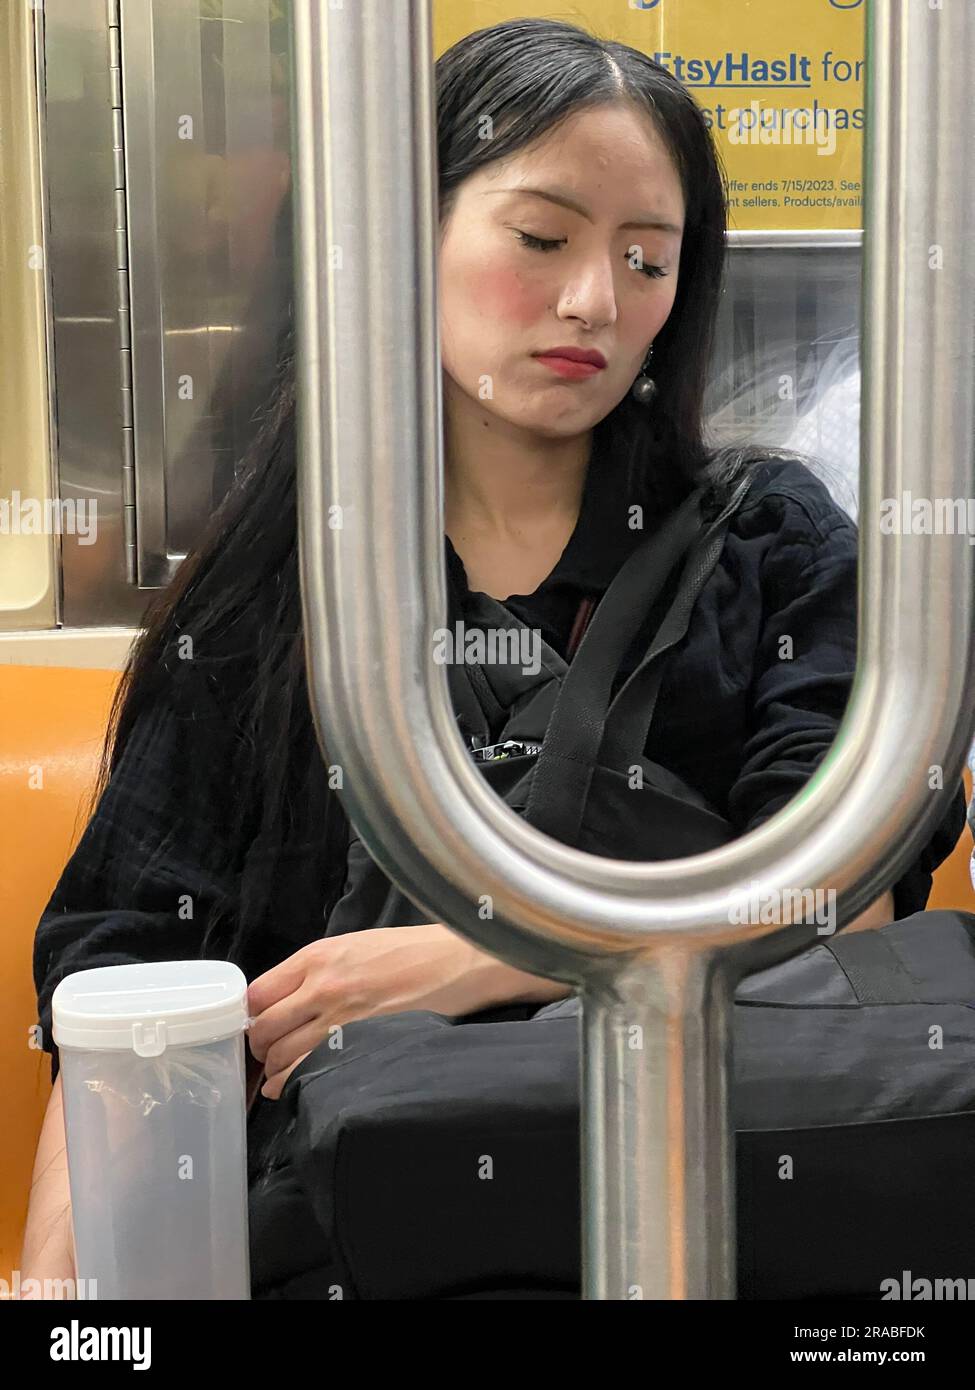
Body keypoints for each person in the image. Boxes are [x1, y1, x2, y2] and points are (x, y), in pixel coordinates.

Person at [23, 17, 964, 1293]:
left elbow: (843, 864)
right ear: (406, 232)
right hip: (356, 1232)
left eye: (648, 259)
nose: (596, 301)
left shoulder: (771, 543)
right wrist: (68, 1296)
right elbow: (124, 972)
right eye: (541, 239)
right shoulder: (284, 584)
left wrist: (480, 954)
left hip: (723, 1222)